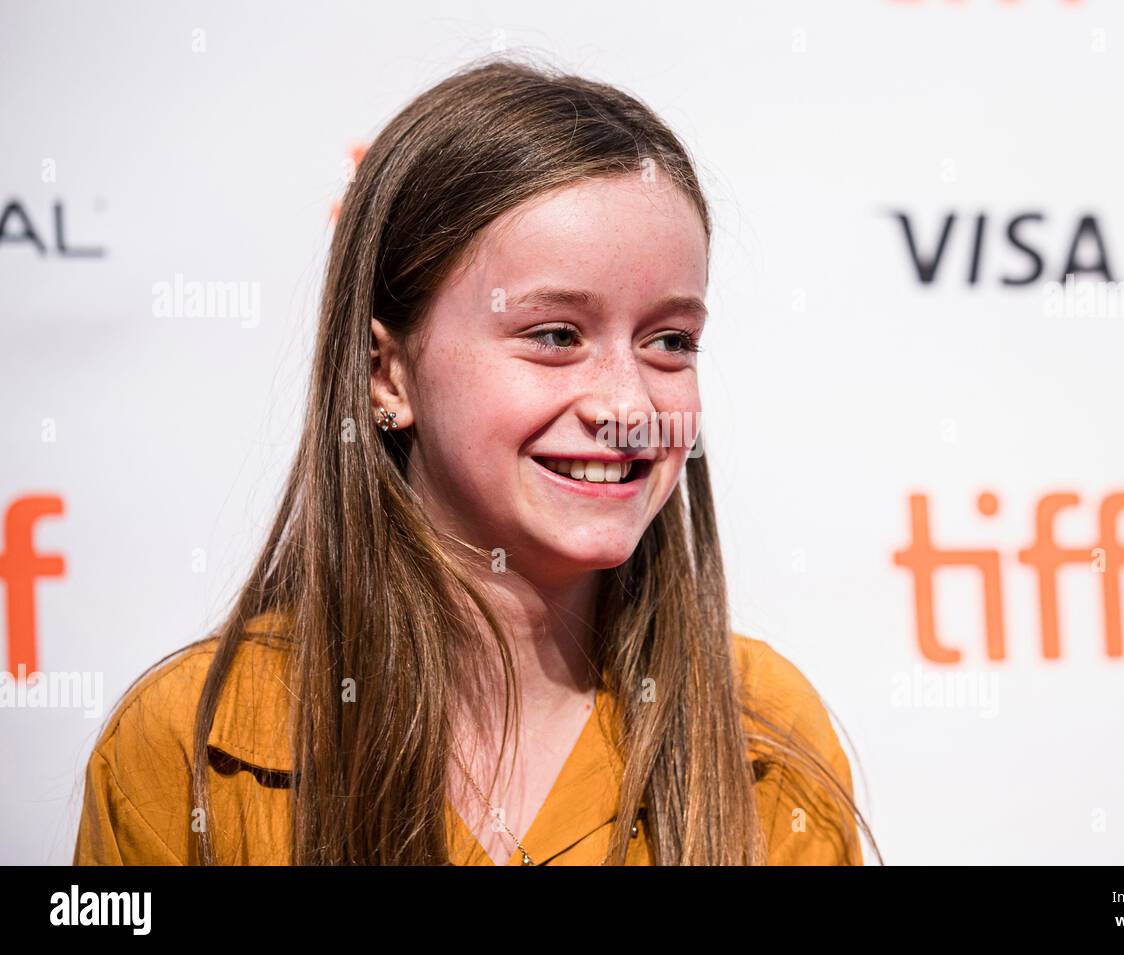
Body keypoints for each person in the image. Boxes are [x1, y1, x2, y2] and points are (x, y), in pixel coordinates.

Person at [73, 55, 879, 866]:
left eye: (670, 341)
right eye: (556, 335)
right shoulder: (188, 748)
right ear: (388, 374)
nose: (628, 408)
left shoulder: (766, 737)